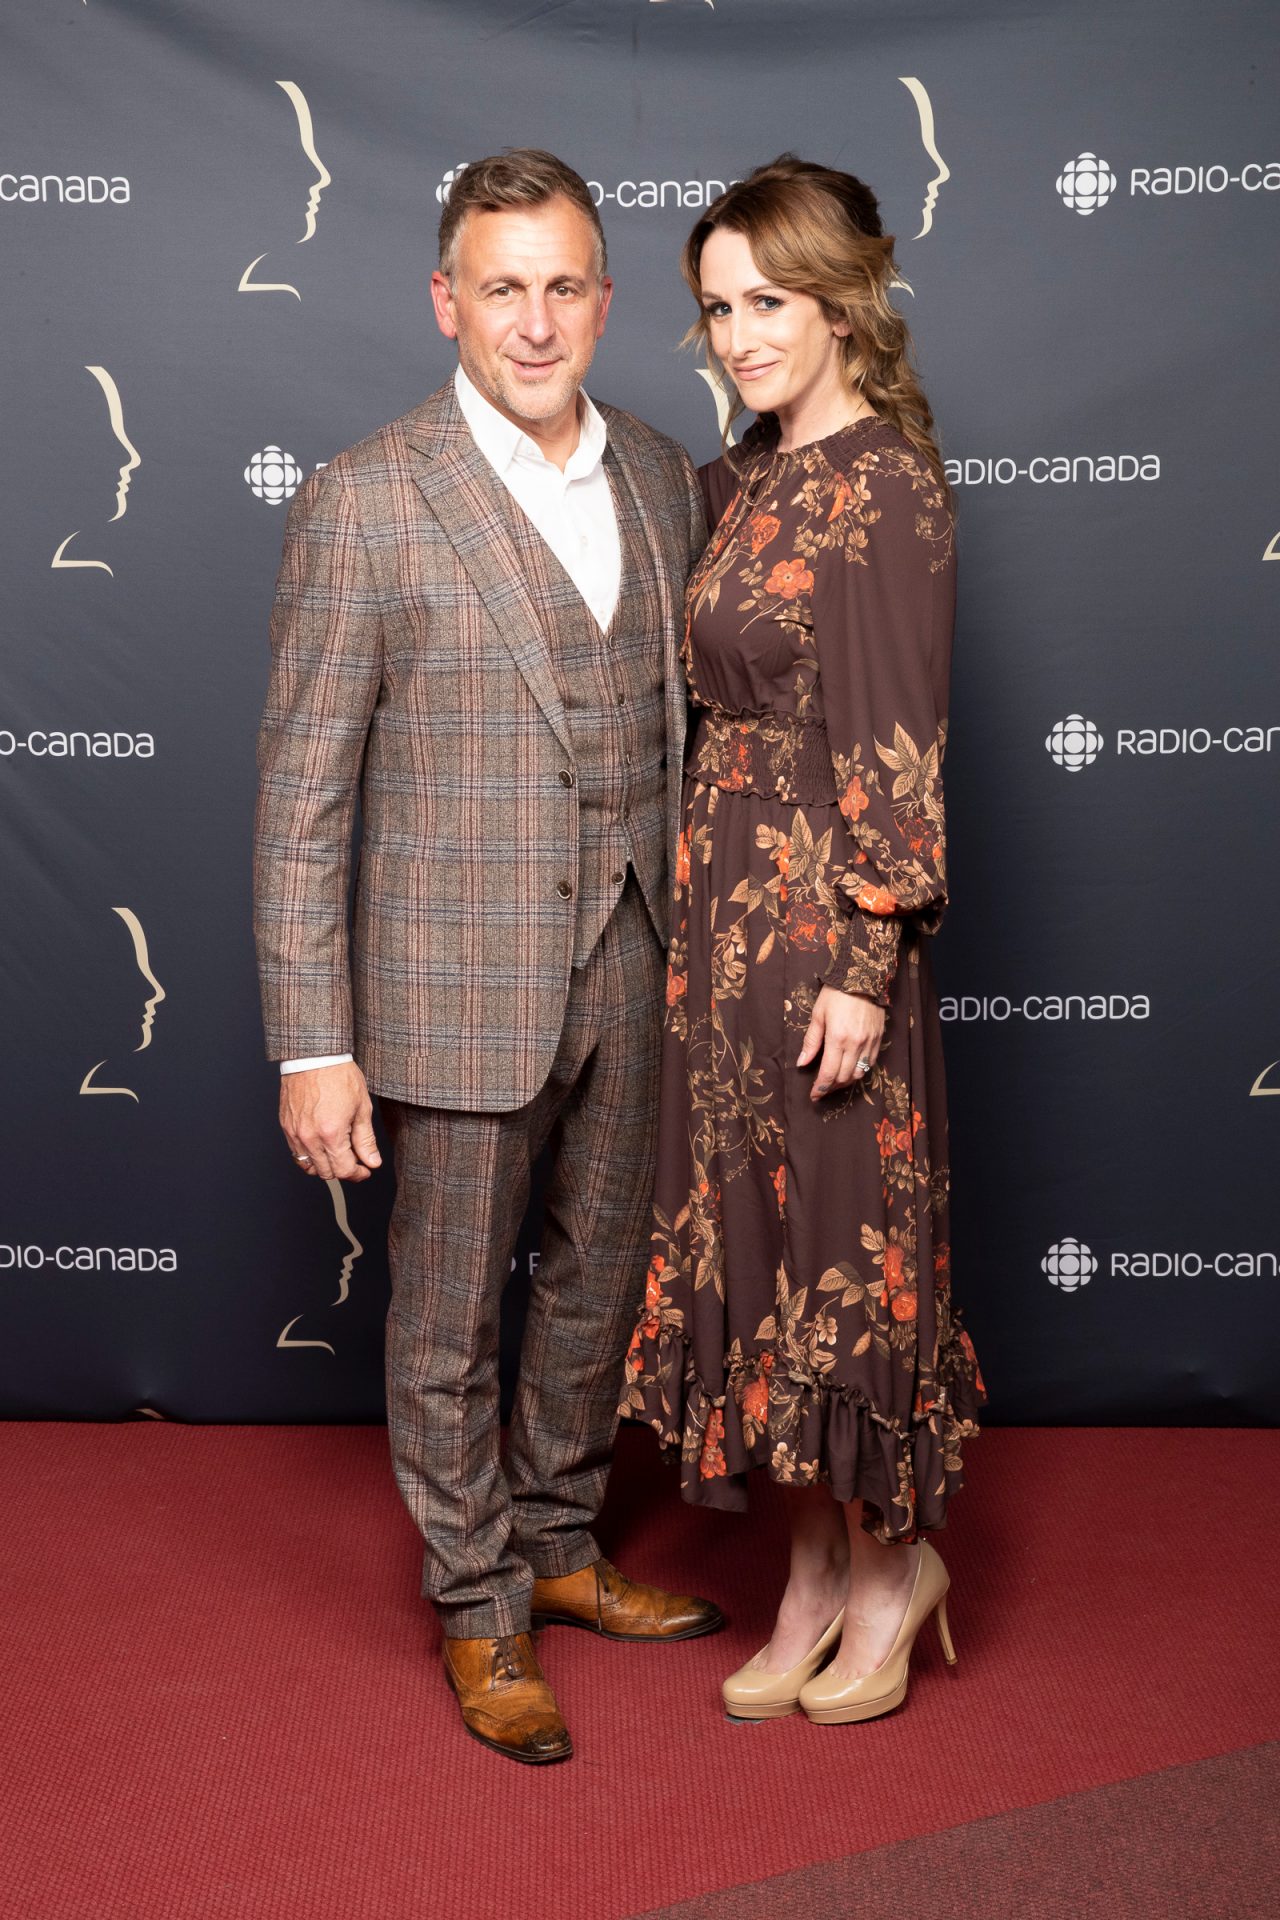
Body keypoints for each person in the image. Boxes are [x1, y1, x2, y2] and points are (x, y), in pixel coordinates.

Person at [253, 149, 723, 1768]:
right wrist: (313, 1041)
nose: (536, 320)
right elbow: (304, 798)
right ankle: (478, 1602)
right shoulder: (366, 497)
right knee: (449, 1316)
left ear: (604, 300)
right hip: (453, 985)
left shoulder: (663, 473)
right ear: (447, 302)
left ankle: (561, 1538)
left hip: (639, 954)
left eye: (564, 285)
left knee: (600, 1278)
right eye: (502, 287)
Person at [619, 157, 986, 1726]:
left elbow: (899, 740)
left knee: (846, 1249)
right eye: (718, 309)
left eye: (768, 301)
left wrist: (866, 964)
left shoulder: (884, 485)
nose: (741, 335)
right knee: (762, 1253)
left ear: (844, 301)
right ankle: (814, 1569)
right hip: (722, 922)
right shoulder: (741, 480)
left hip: (829, 925)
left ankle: (896, 1569)